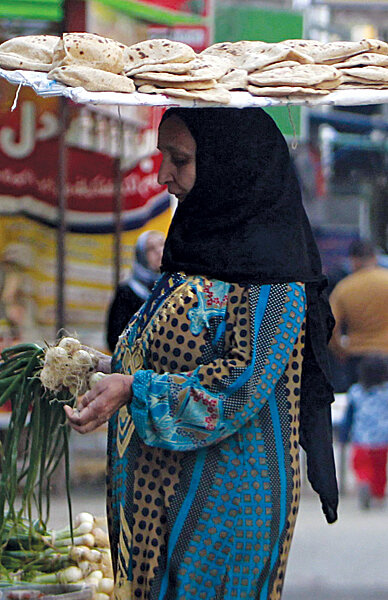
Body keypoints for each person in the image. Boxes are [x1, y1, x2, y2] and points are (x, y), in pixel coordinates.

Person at [64, 107, 339, 600]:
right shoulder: (194, 254)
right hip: (160, 502)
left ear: (230, 164)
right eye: (163, 156)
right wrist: (101, 369)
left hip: (225, 510)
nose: (163, 174)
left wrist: (133, 388)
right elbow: (174, 355)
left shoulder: (275, 281)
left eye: (180, 159)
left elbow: (241, 384)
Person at [328, 239, 388, 392]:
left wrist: (339, 350)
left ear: (353, 260)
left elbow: (330, 324)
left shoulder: (344, 287)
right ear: (374, 257)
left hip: (357, 356)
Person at [105, 230, 165, 352]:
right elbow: (113, 338)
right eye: (150, 249)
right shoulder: (128, 292)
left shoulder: (175, 286)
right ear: (141, 256)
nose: (159, 251)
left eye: (162, 244)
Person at [343, 355, 388, 510]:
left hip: (361, 438)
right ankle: (378, 495)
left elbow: (349, 417)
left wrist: (344, 434)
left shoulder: (355, 391)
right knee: (380, 469)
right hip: (382, 439)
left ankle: (364, 481)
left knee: (361, 466)